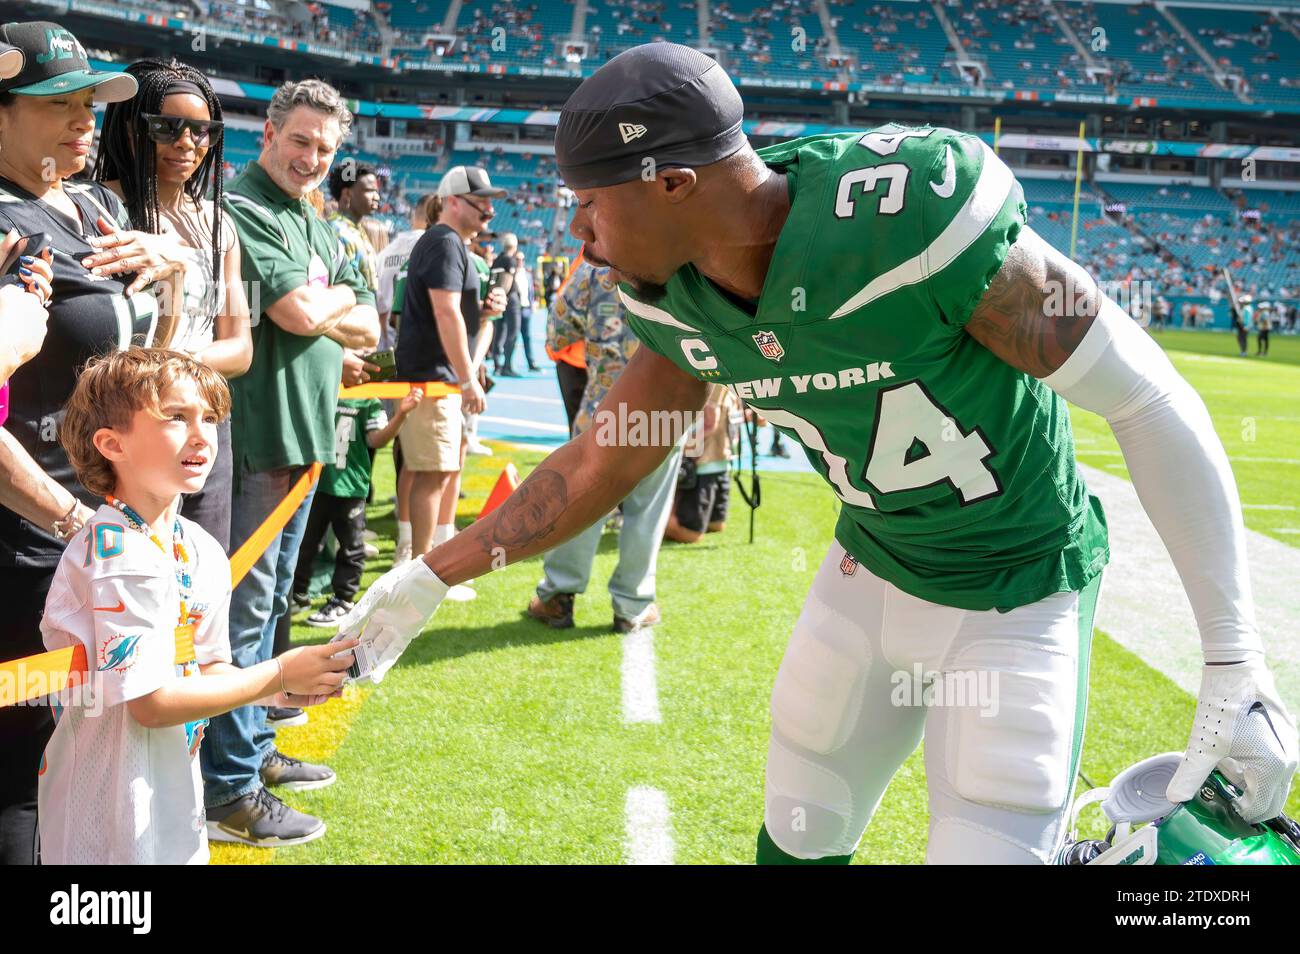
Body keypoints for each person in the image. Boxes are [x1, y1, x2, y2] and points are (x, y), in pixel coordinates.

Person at [339, 43, 1297, 865]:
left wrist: (1232, 660)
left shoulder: (907, 219)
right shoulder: (672, 295)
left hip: (1020, 588)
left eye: (589, 203)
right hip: (871, 569)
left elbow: (1147, 398)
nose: (579, 235)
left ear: (673, 182)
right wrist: (433, 574)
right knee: (798, 828)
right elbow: (605, 455)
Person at [0, 20, 197, 865]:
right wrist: (70, 522)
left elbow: (155, 371)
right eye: (58, 104)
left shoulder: (96, 204)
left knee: (107, 754)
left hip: (115, 535)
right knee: (25, 766)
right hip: (29, 544)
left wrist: (177, 273)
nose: (85, 121)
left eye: (91, 103)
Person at [39, 348, 353, 863]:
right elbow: (151, 703)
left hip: (174, 789)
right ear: (112, 444)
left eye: (210, 417)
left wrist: (279, 691)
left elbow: (209, 665)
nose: (202, 434)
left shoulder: (199, 547)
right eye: (176, 417)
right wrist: (275, 673)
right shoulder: (116, 553)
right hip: (108, 798)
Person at [201, 78, 379, 847]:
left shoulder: (309, 217)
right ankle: (229, 786)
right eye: (301, 140)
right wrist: (331, 297)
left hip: (306, 437)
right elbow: (302, 313)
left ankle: (256, 750)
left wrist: (330, 297)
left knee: (272, 607)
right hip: (259, 437)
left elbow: (369, 325)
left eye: (326, 147)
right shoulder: (243, 205)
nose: (312, 158)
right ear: (269, 133)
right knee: (243, 613)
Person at [93, 57, 254, 552]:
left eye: (203, 131)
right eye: (167, 127)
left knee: (199, 576)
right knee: (124, 575)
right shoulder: (97, 208)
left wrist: (174, 375)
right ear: (130, 128)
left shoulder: (219, 227)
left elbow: (240, 348)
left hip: (205, 421)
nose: (187, 143)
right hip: (126, 421)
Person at [527, 262, 683, 632]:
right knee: (648, 510)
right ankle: (633, 604)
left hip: (604, 409)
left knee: (583, 502)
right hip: (667, 410)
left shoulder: (593, 273)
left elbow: (556, 334)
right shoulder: (680, 264)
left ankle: (557, 596)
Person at [393, 165, 504, 593]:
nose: (491, 212)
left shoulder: (445, 242)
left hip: (436, 377)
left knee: (434, 471)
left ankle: (423, 567)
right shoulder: (445, 243)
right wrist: (467, 378)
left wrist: (485, 311)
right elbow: (445, 312)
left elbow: (455, 310)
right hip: (435, 379)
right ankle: (422, 576)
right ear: (454, 201)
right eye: (483, 203)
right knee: (433, 473)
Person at [292, 387, 422, 626]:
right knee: (306, 541)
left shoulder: (368, 401)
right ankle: (298, 593)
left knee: (351, 547)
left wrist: (401, 414)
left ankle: (344, 599)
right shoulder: (328, 390)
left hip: (350, 487)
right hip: (319, 483)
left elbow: (377, 439)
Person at [664, 383, 738, 543]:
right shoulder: (720, 384)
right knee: (701, 531)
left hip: (713, 463)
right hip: (708, 463)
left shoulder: (721, 385)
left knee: (708, 528)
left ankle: (656, 516)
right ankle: (657, 516)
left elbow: (711, 423)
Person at [490, 231, 523, 376]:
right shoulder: (510, 260)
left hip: (498, 298)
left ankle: (497, 365)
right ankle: (507, 365)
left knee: (500, 331)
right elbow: (509, 281)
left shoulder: (497, 259)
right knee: (513, 332)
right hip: (510, 299)